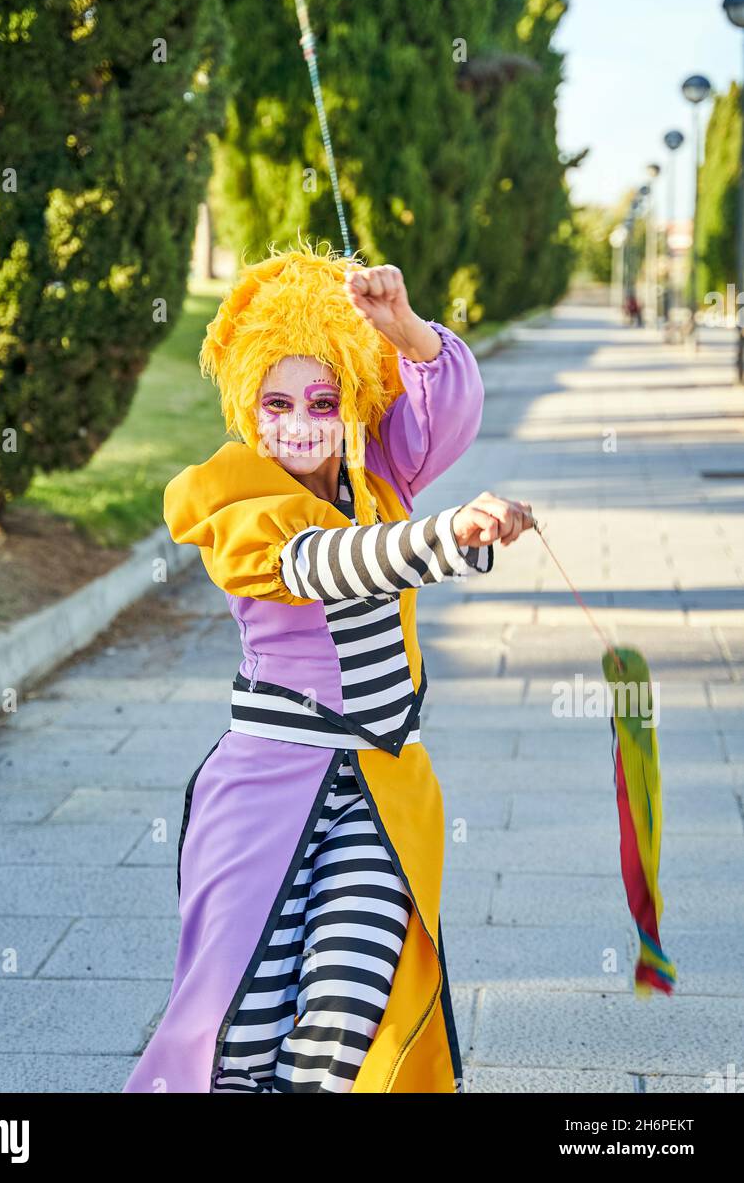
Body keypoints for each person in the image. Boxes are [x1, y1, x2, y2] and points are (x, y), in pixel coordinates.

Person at [121, 242, 533, 1095]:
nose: (299, 422)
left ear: (351, 399)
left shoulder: (377, 471)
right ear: (247, 405)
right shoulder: (230, 495)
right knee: (241, 1029)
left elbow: (447, 410)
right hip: (265, 788)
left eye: (322, 398)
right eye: (275, 402)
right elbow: (323, 565)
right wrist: (447, 536)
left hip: (382, 788)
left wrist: (403, 328)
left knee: (348, 1015)